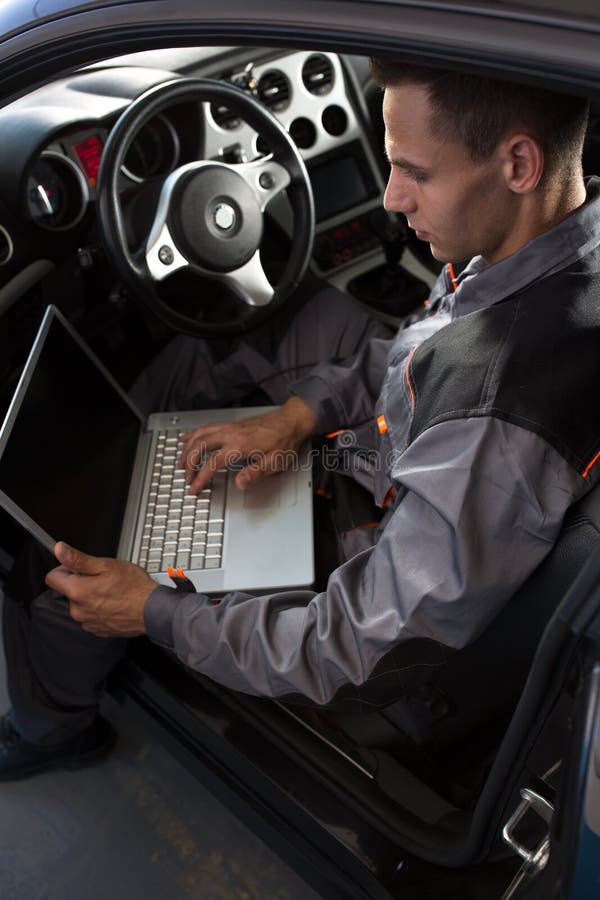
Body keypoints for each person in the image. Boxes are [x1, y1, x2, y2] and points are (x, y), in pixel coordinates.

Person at [2, 57, 599, 780]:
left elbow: (348, 648)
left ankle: (51, 727)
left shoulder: (492, 426)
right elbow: (418, 352)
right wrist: (293, 417)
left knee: (72, 591)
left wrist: (151, 609)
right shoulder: (548, 245)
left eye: (416, 172)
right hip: (390, 451)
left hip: (366, 544)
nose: (391, 199)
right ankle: (151, 458)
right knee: (250, 333)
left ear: (519, 163)